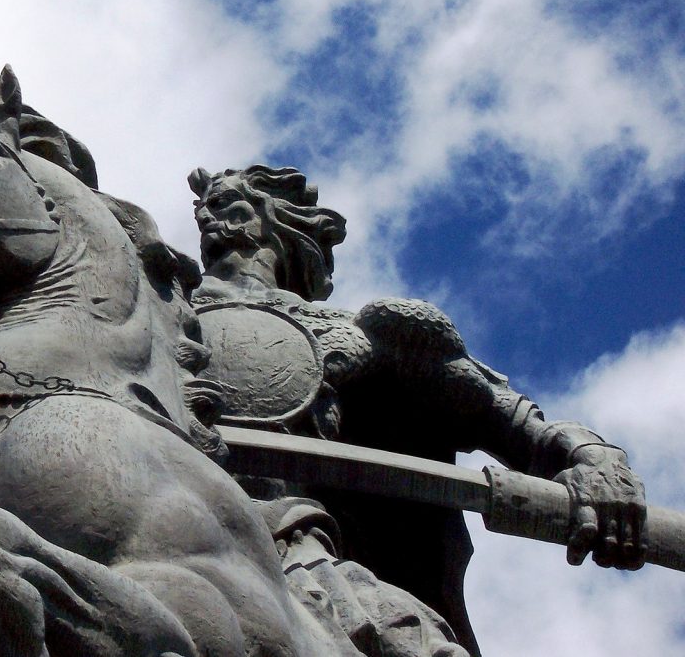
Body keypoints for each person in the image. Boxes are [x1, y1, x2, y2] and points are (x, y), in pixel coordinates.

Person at [188, 165, 647, 656]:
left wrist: (594, 460)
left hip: (296, 560)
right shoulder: (152, 306)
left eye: (231, 210)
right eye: (205, 213)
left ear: (274, 227)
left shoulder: (361, 332)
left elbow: (511, 421)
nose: (212, 224)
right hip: (167, 525)